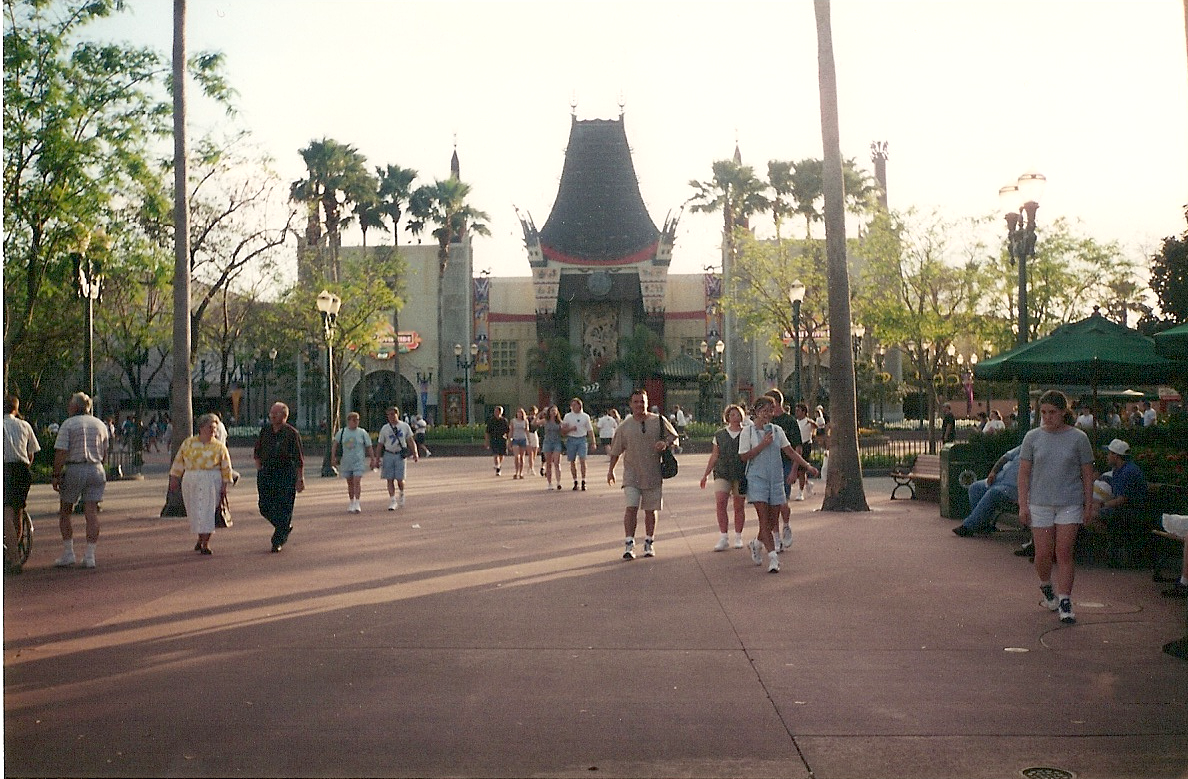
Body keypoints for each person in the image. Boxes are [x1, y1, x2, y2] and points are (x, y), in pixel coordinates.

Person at [1017, 389, 1095, 625]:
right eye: (1043, 412)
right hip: (1040, 502)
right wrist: (1023, 504)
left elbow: (1087, 474)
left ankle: (1065, 600)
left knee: (1064, 551)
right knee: (1042, 553)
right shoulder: (1032, 438)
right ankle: (1045, 585)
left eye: (1052, 412)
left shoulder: (1079, 438)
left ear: (1063, 412)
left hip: (1069, 502)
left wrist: (1088, 505)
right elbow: (1024, 473)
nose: (1047, 417)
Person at [739, 396, 818, 573]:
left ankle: (756, 543)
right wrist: (762, 444)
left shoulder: (777, 430)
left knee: (772, 521)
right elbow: (744, 456)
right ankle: (773, 558)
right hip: (757, 478)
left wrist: (807, 466)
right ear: (756, 411)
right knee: (763, 518)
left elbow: (790, 451)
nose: (768, 414)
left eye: (771, 410)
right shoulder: (748, 432)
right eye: (764, 410)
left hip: (776, 479)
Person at [607, 389, 677, 560]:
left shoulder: (659, 421)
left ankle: (649, 541)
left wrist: (665, 443)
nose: (639, 405)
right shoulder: (624, 427)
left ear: (647, 403)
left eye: (642, 401)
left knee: (650, 510)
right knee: (631, 507)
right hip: (632, 474)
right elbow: (616, 451)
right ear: (631, 404)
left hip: (653, 473)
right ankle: (629, 543)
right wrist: (611, 471)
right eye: (636, 402)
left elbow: (674, 437)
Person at [51, 392, 109, 568]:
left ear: (75, 407)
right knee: (91, 512)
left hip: (75, 468)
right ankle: (90, 555)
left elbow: (61, 452)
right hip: (96, 468)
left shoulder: (68, 424)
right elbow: (105, 451)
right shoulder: (100, 425)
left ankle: (69, 552)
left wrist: (56, 474)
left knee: (65, 510)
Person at [168, 413, 234, 555]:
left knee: (208, 511)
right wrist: (174, 478)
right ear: (202, 428)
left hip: (211, 480)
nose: (213, 430)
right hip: (191, 479)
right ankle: (200, 537)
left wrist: (224, 486)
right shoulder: (188, 443)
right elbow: (179, 461)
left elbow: (226, 467)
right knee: (195, 510)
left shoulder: (219, 447)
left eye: (215, 428)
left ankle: (206, 543)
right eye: (210, 427)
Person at [254, 402, 305, 553]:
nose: (272, 416)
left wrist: (300, 478)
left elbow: (299, 458)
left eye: (275, 413)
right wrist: (259, 466)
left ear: (284, 416)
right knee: (264, 506)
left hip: (285, 473)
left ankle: (278, 540)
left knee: (285, 507)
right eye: (271, 413)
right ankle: (284, 527)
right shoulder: (265, 430)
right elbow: (258, 450)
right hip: (267, 472)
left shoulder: (292, 433)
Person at [699, 404, 749, 551]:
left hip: (740, 473)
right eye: (732, 415)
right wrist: (705, 474)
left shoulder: (746, 433)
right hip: (722, 472)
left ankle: (738, 536)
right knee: (721, 502)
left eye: (738, 414)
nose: (735, 417)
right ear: (727, 417)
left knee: (738, 506)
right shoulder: (720, 435)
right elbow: (714, 455)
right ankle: (723, 536)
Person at [1095, 438, 1149, 567]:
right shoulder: (1120, 470)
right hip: (1125, 509)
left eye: (1109, 453)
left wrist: (1102, 505)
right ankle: (1114, 546)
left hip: (1132, 511)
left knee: (1092, 515)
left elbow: (1122, 499)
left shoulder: (1128, 472)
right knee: (1091, 510)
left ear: (1116, 456)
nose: (1107, 456)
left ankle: (1115, 547)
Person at [4, 396, 41, 567]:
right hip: (22, 469)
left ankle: (12, 557)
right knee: (17, 512)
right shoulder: (25, 425)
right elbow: (31, 453)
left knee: (5, 513)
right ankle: (15, 549)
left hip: (5, 468)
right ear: (16, 408)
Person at [952, 446, 1021, 536]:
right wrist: (993, 472)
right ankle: (982, 525)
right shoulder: (1023, 446)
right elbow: (1004, 458)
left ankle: (968, 527)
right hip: (999, 479)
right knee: (975, 487)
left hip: (1013, 488)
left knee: (993, 493)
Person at [766, 390, 803, 551]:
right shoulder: (766, 421)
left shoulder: (789, 421)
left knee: (782, 503)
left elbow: (797, 447)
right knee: (771, 505)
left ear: (776, 402)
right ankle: (775, 538)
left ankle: (786, 525)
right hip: (769, 465)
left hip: (785, 464)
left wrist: (794, 470)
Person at [374, 406, 417, 510]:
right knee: (389, 479)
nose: (391, 417)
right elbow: (380, 444)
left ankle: (401, 492)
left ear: (397, 414)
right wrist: (377, 458)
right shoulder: (385, 428)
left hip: (400, 455)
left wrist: (415, 452)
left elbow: (410, 440)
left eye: (393, 414)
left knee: (400, 479)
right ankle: (393, 500)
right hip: (388, 454)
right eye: (388, 415)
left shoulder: (404, 426)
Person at [332, 411, 373, 513]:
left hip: (358, 461)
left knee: (357, 481)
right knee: (350, 483)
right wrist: (333, 457)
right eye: (354, 420)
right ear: (348, 421)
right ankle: (351, 501)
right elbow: (335, 445)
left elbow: (369, 446)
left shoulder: (362, 432)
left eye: (357, 420)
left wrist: (373, 458)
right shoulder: (342, 432)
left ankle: (357, 502)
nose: (356, 422)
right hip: (346, 461)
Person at [561, 397, 596, 491]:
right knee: (572, 461)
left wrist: (593, 442)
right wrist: (570, 429)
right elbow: (563, 431)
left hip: (582, 439)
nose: (572, 407)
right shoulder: (568, 416)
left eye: (574, 405)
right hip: (571, 439)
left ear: (579, 406)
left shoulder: (585, 416)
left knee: (582, 460)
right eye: (571, 405)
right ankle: (575, 481)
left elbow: (590, 430)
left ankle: (584, 480)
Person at [792, 401, 816, 502]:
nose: (796, 412)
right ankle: (807, 483)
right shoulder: (794, 422)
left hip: (805, 446)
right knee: (796, 470)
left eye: (798, 411)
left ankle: (800, 492)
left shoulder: (808, 422)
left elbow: (818, 426)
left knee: (801, 470)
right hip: (796, 446)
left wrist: (813, 424)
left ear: (803, 412)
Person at [537, 406, 564, 490]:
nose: (554, 412)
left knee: (557, 462)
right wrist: (539, 415)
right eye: (552, 410)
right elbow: (535, 423)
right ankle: (549, 483)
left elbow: (563, 431)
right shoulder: (545, 421)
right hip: (547, 443)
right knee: (548, 464)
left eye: (555, 411)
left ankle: (558, 482)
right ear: (549, 412)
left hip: (557, 442)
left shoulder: (559, 422)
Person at [484, 405, 510, 476]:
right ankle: (498, 468)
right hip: (494, 439)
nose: (495, 412)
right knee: (495, 454)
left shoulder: (504, 421)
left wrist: (508, 439)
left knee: (501, 454)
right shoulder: (491, 421)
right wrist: (486, 441)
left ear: (501, 412)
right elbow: (487, 432)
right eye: (495, 411)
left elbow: (508, 431)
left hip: (502, 439)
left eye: (497, 411)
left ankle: (499, 465)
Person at [509, 407, 530, 479]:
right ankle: (516, 472)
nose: (519, 414)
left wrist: (529, 440)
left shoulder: (525, 421)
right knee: (516, 456)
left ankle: (521, 472)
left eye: (521, 412)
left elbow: (527, 431)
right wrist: (509, 440)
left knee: (522, 457)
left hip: (523, 439)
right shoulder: (513, 421)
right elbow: (511, 431)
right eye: (518, 412)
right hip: (515, 439)